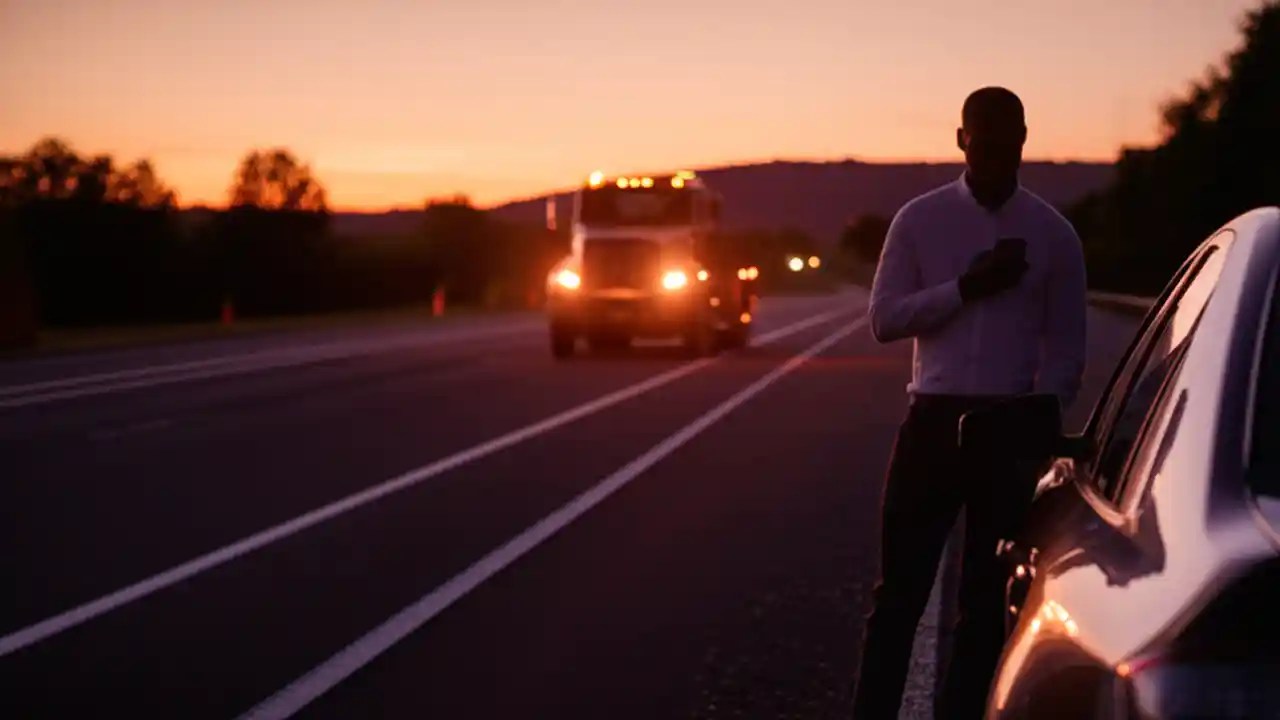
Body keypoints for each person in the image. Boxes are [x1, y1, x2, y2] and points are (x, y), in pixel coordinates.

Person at [850, 87, 1087, 719]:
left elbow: (1067, 347)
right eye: (982, 142)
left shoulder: (1053, 234)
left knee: (985, 605)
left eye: (1007, 143)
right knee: (898, 597)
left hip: (1009, 430)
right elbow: (884, 320)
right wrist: (965, 288)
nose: (993, 155)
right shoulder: (920, 220)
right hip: (930, 421)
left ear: (1024, 141)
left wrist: (1042, 419)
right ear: (962, 140)